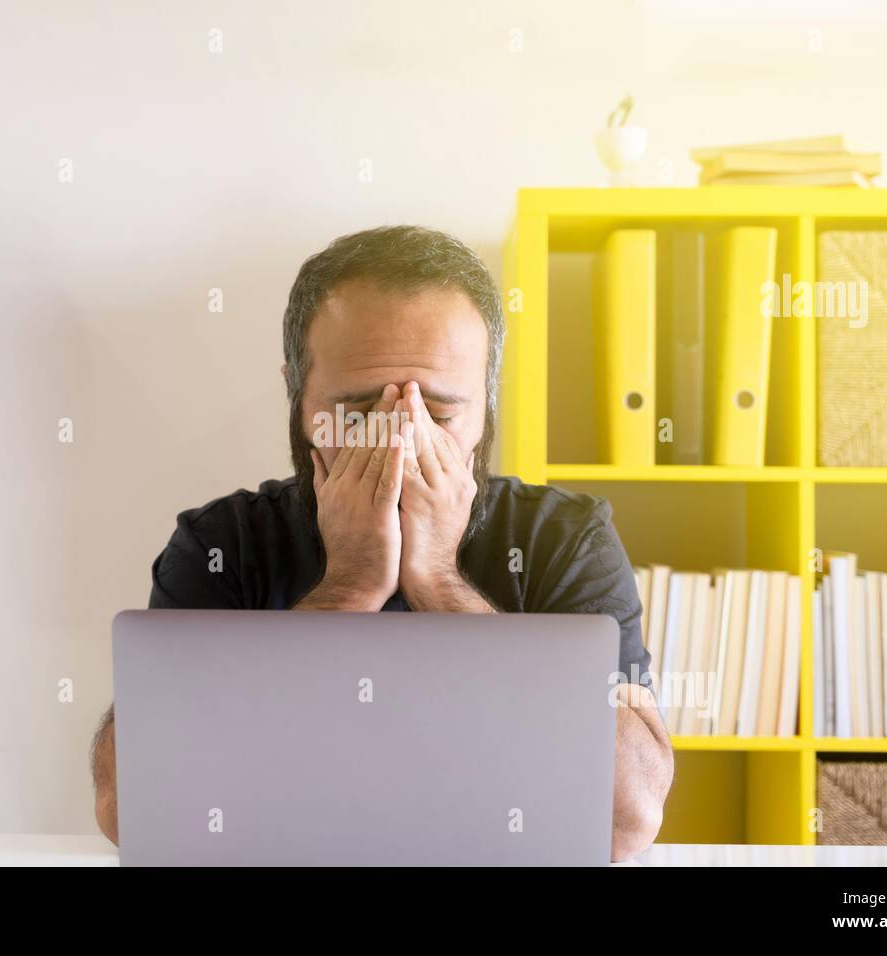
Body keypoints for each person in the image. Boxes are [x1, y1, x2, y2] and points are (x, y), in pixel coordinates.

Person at [91, 225, 673, 861]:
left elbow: (626, 819)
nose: (398, 443)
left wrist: (440, 583)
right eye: (357, 412)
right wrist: (350, 586)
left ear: (487, 406)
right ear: (297, 396)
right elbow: (132, 807)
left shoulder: (564, 538)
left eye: (441, 415)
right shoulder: (219, 543)